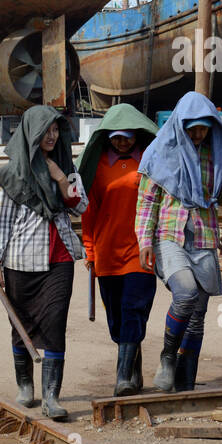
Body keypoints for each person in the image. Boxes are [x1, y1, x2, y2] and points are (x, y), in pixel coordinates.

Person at [136, 92, 222, 392]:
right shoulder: (159, 152)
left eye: (203, 128)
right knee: (185, 295)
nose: (198, 134)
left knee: (198, 315)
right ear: (180, 125)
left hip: (205, 236)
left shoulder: (217, 154)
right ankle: (168, 357)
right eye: (192, 128)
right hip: (170, 235)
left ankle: (186, 383)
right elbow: (147, 202)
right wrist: (144, 240)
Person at [0, 106, 86, 421]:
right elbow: (2, 222)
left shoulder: (67, 167)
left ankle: (51, 397)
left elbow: (81, 205)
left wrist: (59, 179)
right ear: (31, 133)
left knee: (55, 325)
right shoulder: (14, 173)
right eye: (46, 131)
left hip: (59, 260)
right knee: (22, 325)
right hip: (20, 261)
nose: (52, 136)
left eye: (56, 130)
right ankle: (26, 384)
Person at [78, 104, 159, 396]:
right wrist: (90, 251)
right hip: (107, 252)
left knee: (134, 310)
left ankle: (122, 377)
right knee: (116, 320)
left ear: (137, 135)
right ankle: (132, 365)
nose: (121, 142)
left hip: (141, 251)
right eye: (116, 137)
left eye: (127, 136)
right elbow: (89, 212)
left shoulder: (151, 161)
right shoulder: (96, 167)